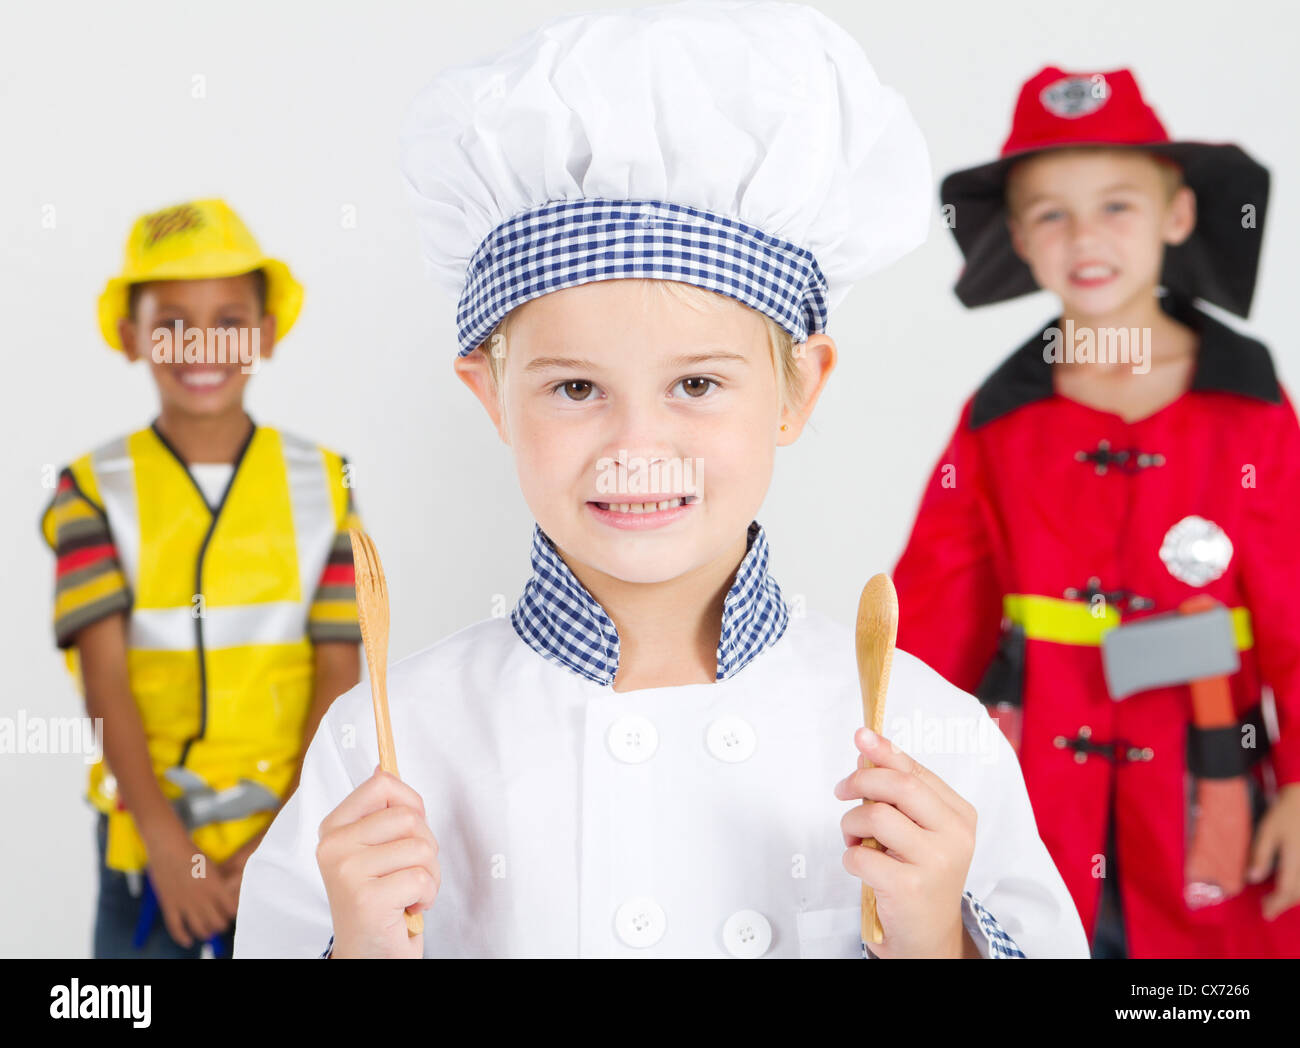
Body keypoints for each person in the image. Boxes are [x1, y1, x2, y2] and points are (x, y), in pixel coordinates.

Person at [233, 0, 1089, 959]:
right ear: (492, 397)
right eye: (574, 387)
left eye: (696, 383)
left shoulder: (921, 729)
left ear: (797, 391)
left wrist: (940, 939)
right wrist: (358, 948)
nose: (637, 443)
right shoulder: (387, 740)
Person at [892, 67, 1300, 957]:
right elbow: (935, 608)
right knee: (1040, 927)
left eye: (1117, 205)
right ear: (1020, 240)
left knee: (1210, 977)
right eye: (1050, 213)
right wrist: (900, 767)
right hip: (1039, 760)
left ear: (1178, 218)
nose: (1085, 237)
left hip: (1204, 760)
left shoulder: (1251, 403)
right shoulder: (999, 417)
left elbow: (1294, 603)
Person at [41, 198, 364, 957]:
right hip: (146, 851)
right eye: (172, 320)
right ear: (131, 336)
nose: (202, 343)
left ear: (267, 332)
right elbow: (105, 677)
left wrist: (278, 844)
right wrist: (163, 842)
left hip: (292, 836)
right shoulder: (92, 489)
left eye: (228, 317)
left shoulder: (324, 483)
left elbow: (339, 671)